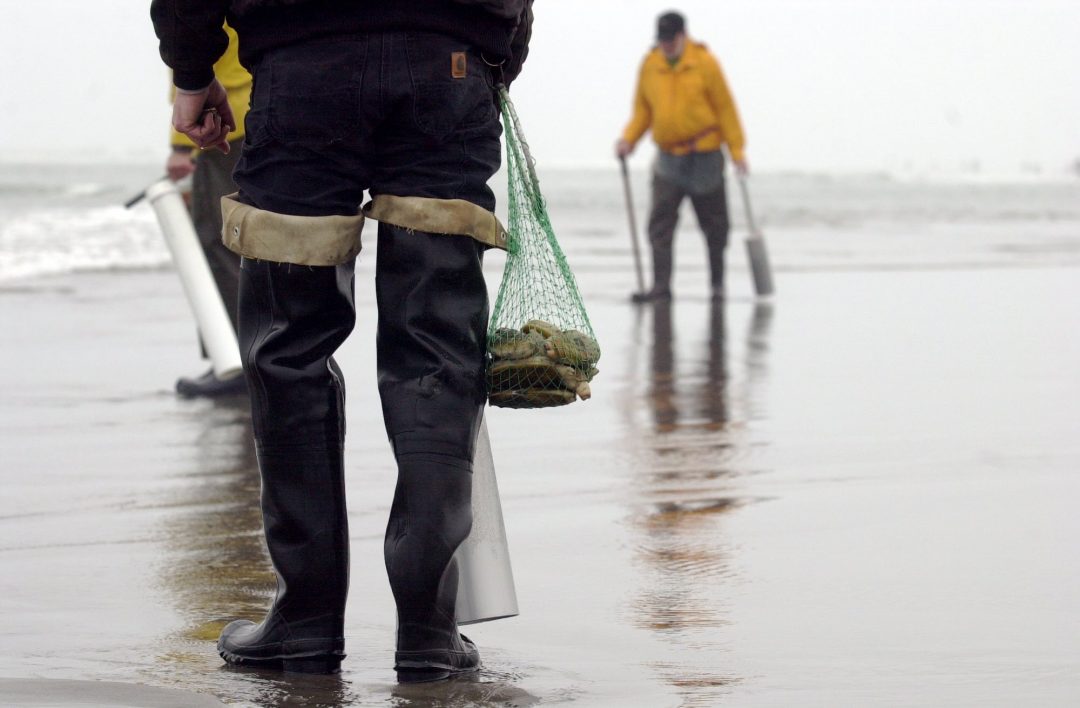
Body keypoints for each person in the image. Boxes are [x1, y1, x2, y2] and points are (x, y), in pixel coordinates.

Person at [150, 0, 533, 682]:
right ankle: (428, 629)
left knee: (290, 346)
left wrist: (190, 68)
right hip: (448, 60)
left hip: (302, 64)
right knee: (437, 348)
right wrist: (497, 54)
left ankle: (306, 619)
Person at [616, 10, 747, 302]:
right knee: (659, 226)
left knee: (715, 227)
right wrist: (629, 140)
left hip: (706, 157)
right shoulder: (650, 65)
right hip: (668, 160)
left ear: (683, 35)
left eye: (670, 40)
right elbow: (643, 112)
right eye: (661, 40)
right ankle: (661, 288)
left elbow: (726, 109)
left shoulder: (705, 63)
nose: (666, 45)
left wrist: (737, 151)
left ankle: (717, 285)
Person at [167, 24, 251, 398]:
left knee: (220, 242)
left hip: (224, 126)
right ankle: (256, 356)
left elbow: (193, 48)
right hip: (261, 114)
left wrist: (180, 146)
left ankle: (235, 360)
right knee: (258, 241)